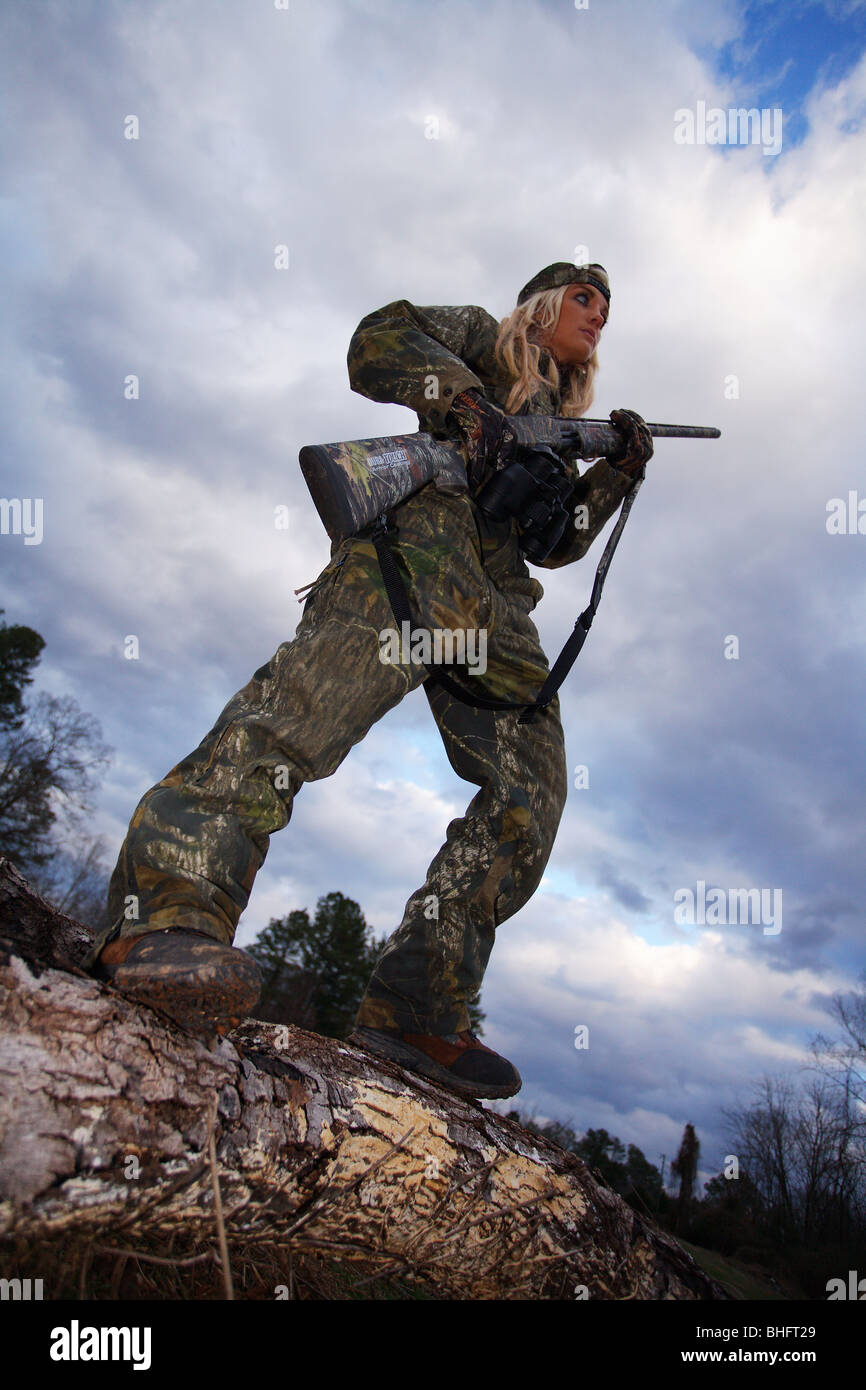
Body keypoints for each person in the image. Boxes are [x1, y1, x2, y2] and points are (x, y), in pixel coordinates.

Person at [83, 260, 653, 1101]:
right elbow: (375, 338)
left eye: (607, 309)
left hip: (494, 612)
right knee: (291, 727)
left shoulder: (559, 419)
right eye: (584, 299)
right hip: (406, 562)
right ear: (540, 305)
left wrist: (615, 471)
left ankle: (418, 1007)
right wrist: (468, 404)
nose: (598, 317)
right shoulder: (476, 339)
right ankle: (167, 918)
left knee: (530, 798)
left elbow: (551, 544)